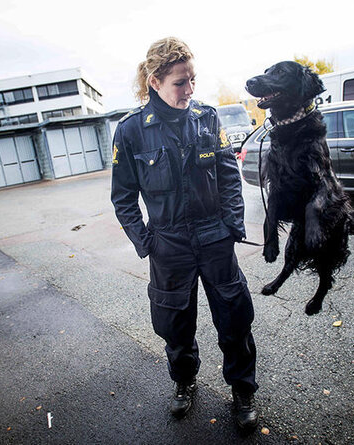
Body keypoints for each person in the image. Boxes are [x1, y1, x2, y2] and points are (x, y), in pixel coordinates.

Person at [110, 37, 259, 431]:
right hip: (168, 243)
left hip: (213, 236)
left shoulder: (207, 118)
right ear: (155, 81)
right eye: (180, 82)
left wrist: (231, 227)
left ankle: (243, 390)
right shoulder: (130, 132)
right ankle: (184, 382)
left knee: (234, 319)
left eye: (193, 80)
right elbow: (123, 198)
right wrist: (146, 242)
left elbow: (229, 175)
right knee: (174, 325)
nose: (189, 90)